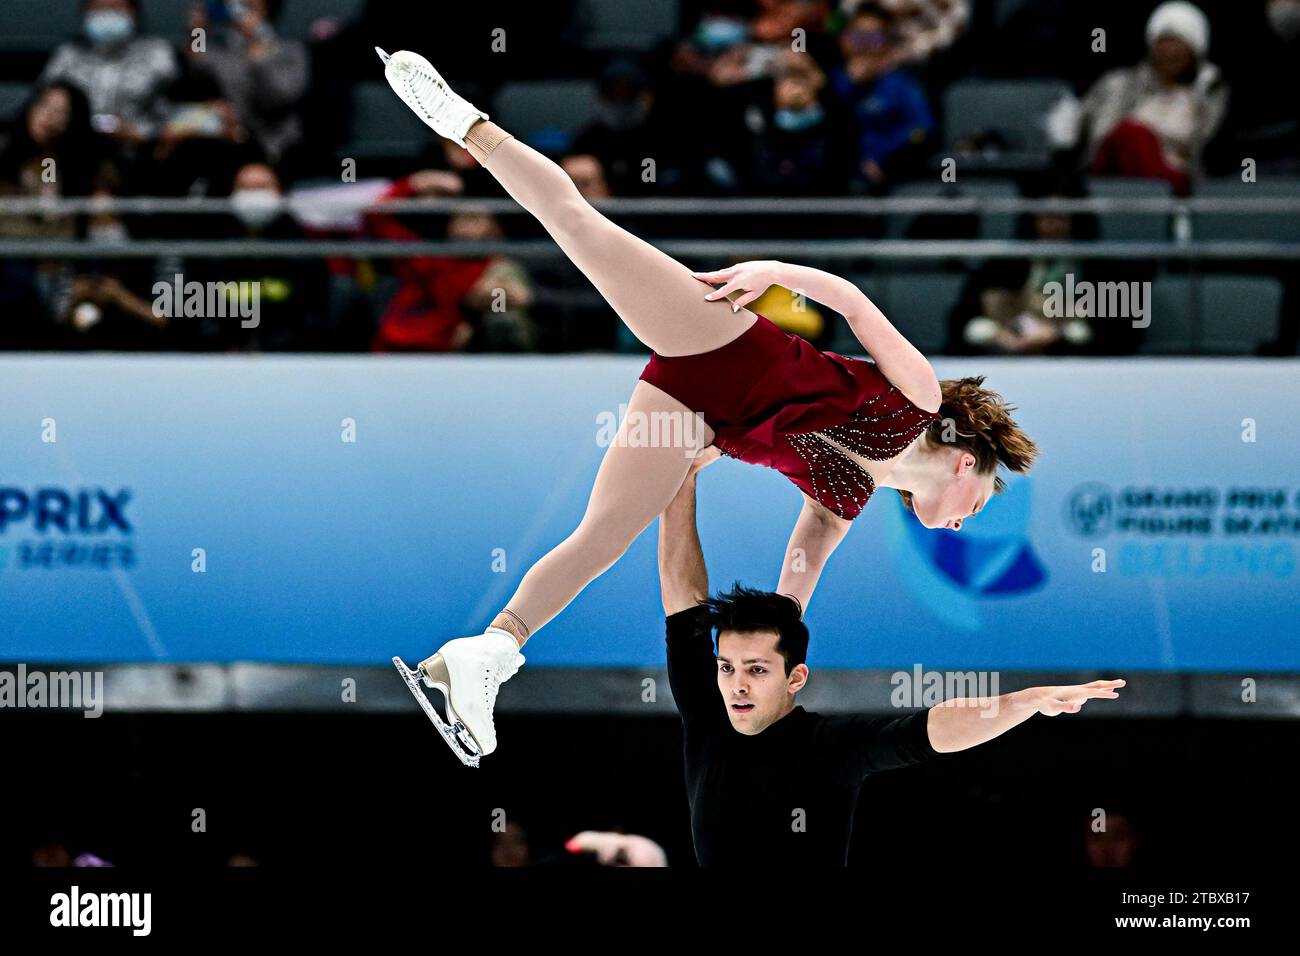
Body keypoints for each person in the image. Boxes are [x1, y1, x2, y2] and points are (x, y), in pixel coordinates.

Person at [379, 50, 1037, 765]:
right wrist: (772, 272)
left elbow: (789, 606)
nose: (971, 519)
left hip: (692, 410)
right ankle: (465, 123)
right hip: (722, 338)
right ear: (966, 462)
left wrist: (771, 687)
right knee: (579, 227)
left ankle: (488, 653)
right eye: (982, 501)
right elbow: (851, 301)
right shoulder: (918, 400)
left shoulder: (844, 503)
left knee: (602, 537)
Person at [658, 449, 1126, 866]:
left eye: (757, 669)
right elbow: (684, 604)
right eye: (727, 667)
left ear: (796, 676)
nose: (737, 683)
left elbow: (933, 729)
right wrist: (682, 476)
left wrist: (1024, 702)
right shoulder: (708, 718)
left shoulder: (827, 746)